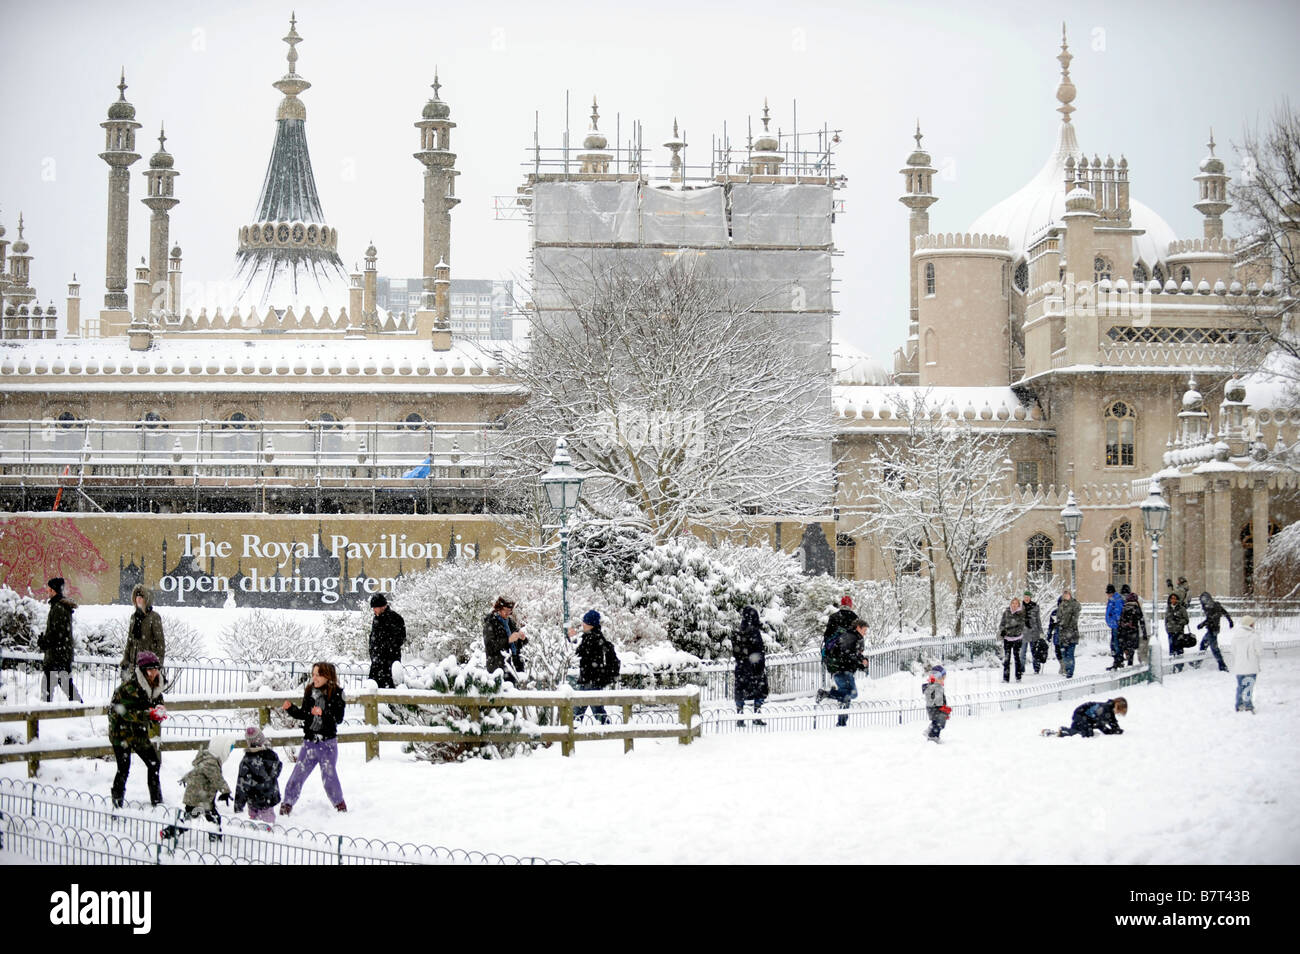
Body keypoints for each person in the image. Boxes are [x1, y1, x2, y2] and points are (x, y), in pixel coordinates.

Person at [279, 662, 347, 814]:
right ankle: (287, 804)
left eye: (318, 675)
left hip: (328, 744)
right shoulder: (309, 690)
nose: (314, 678)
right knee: (297, 774)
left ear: (327, 676)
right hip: (310, 743)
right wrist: (291, 709)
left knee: (329, 777)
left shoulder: (337, 693)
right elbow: (304, 713)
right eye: (313, 674)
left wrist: (323, 712)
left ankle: (340, 805)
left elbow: (339, 718)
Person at [109, 649, 167, 808]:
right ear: (142, 670)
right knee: (123, 768)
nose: (154, 672)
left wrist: (159, 710)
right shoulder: (128, 688)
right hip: (120, 733)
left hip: (139, 732)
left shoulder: (157, 686)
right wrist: (149, 714)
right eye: (150, 669)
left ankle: (157, 802)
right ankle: (117, 803)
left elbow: (157, 702)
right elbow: (122, 712)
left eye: (156, 669)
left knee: (154, 763)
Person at [160, 735, 235, 843]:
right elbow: (217, 779)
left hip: (195, 797)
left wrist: (186, 777)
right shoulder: (211, 763)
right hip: (201, 799)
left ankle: (170, 831)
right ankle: (215, 839)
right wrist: (225, 791)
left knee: (189, 819)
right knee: (213, 819)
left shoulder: (206, 758)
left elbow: (196, 771)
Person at [569, 609, 619, 725]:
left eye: (585, 622)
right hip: (591, 680)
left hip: (590, 680)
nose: (583, 624)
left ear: (590, 624)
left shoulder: (592, 638)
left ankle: (573, 729)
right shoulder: (593, 637)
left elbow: (580, 653)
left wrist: (573, 640)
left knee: (584, 709)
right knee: (592, 709)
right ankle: (605, 727)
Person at [817, 617, 869, 726]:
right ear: (858, 627)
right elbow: (847, 655)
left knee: (846, 698)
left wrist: (862, 661)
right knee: (853, 694)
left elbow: (852, 655)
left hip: (841, 670)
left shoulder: (852, 636)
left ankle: (841, 723)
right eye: (864, 630)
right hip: (843, 671)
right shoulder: (851, 637)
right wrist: (860, 661)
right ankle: (826, 694)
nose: (865, 633)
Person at [39, 577, 81, 703]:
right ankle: (80, 710)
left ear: (54, 590)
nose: (47, 591)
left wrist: (45, 642)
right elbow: (58, 633)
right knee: (60, 687)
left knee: (51, 688)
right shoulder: (58, 606)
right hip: (59, 656)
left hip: (57, 657)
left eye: (49, 588)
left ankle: (81, 711)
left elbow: (57, 634)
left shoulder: (58, 608)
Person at [234, 725, 283, 827]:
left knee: (254, 816)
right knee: (267, 817)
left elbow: (242, 784)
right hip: (269, 795)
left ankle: (255, 829)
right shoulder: (271, 755)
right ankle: (268, 829)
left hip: (253, 798)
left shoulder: (246, 761)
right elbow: (277, 769)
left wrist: (239, 804)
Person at [732, 606, 769, 727]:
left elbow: (736, 652)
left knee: (740, 692)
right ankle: (756, 716)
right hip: (754, 669)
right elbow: (758, 651)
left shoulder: (739, 632)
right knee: (759, 691)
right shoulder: (754, 632)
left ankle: (740, 717)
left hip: (741, 668)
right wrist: (759, 665)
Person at [120, 583, 165, 683]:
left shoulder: (154, 617)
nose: (138, 599)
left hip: (148, 665)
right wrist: (125, 660)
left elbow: (160, 642)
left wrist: (158, 664)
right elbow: (130, 641)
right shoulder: (134, 617)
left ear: (147, 599)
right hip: (133, 666)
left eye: (141, 597)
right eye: (137, 597)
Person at [483, 596, 528, 682]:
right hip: (498, 667)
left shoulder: (510, 622)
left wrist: (522, 638)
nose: (507, 613)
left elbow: (518, 645)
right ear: (498, 608)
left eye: (510, 611)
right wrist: (508, 640)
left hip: (513, 666)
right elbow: (490, 646)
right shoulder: (491, 622)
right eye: (505, 610)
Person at [367, 592, 406, 689]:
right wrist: (373, 653)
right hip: (377, 662)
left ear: (382, 606)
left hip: (389, 662)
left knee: (389, 691)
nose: (373, 610)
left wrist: (384, 650)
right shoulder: (376, 619)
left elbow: (399, 639)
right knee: (374, 691)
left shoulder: (395, 618)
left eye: (375, 607)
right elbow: (373, 639)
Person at [1045, 697, 1127, 737]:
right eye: (1119, 709)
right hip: (1080, 715)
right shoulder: (1105, 709)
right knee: (1087, 734)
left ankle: (1057, 732)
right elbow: (1100, 725)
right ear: (1116, 705)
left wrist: (1117, 730)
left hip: (1084, 717)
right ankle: (1062, 731)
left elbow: (1113, 723)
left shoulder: (1109, 711)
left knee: (1080, 732)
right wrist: (1112, 732)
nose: (1118, 712)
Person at [1196, 591, 1233, 672]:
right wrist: (1230, 621)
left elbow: (1211, 618)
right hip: (1212, 629)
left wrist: (1202, 624)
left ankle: (1222, 666)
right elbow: (1225, 613)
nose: (1203, 601)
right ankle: (1198, 662)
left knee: (1214, 649)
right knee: (1203, 644)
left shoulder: (1213, 606)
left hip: (1213, 630)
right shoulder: (1212, 605)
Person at [1232, 615, 1262, 713]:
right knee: (1248, 686)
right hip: (1251, 666)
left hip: (1239, 666)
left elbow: (1233, 651)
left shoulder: (1236, 636)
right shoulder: (1254, 636)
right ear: (1250, 624)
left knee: (1240, 686)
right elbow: (1259, 651)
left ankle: (1239, 704)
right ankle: (1248, 705)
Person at [1115, 590, 1146, 669]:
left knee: (1126, 648)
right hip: (1133, 632)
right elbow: (1141, 621)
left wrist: (1119, 633)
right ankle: (1130, 664)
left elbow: (1121, 621)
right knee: (1131, 649)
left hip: (1124, 632)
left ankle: (1125, 659)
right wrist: (1144, 633)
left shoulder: (1124, 608)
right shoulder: (1136, 608)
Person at [998, 597, 1026, 682]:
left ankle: (1018, 677)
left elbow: (1020, 627)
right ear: (1011, 604)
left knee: (1017, 658)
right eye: (1013, 603)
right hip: (1007, 639)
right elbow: (1002, 624)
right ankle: (1005, 678)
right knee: (1007, 658)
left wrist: (1009, 630)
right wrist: (1002, 630)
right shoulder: (1006, 612)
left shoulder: (1021, 614)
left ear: (1018, 605)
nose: (1014, 605)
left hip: (1017, 639)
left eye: (1016, 603)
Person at [922, 664, 951, 743]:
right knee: (939, 723)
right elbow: (937, 699)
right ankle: (933, 736)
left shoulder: (932, 686)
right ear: (937, 677)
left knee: (937, 722)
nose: (944, 679)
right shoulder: (936, 687)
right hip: (936, 708)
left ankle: (930, 732)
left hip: (933, 708)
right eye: (943, 677)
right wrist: (944, 708)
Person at [1056, 588, 1081, 678]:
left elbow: (1074, 619)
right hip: (1063, 634)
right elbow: (1058, 618)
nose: (1065, 595)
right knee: (1064, 653)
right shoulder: (1061, 605)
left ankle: (1070, 671)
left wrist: (1065, 625)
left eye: (1067, 594)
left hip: (1071, 633)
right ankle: (1066, 669)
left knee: (1070, 653)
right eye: (1064, 594)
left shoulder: (1074, 605)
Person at [1021, 590, 1046, 674]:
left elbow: (1038, 620)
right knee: (1022, 652)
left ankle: (1036, 669)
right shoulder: (1020, 607)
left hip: (1034, 632)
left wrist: (1041, 633)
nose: (1026, 598)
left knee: (1035, 651)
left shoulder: (1035, 606)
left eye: (1028, 597)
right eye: (1025, 597)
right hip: (1023, 633)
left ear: (1030, 597)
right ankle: (1021, 669)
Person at [1166, 592, 1191, 673]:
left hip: (1179, 631)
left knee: (1179, 649)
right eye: (1171, 598)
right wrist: (1167, 628)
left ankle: (1180, 666)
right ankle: (1173, 666)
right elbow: (1166, 620)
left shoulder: (1181, 609)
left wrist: (1179, 621)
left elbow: (1186, 620)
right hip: (1170, 631)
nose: (1173, 600)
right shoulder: (1168, 609)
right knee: (1172, 649)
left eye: (1174, 598)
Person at [1104, 583, 1124, 667]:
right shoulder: (1113, 600)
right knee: (1114, 644)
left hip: (1116, 626)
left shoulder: (1116, 600)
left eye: (1108, 593)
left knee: (1116, 644)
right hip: (1114, 625)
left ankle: (1118, 661)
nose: (1107, 595)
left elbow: (1117, 613)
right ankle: (1117, 660)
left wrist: (1115, 622)